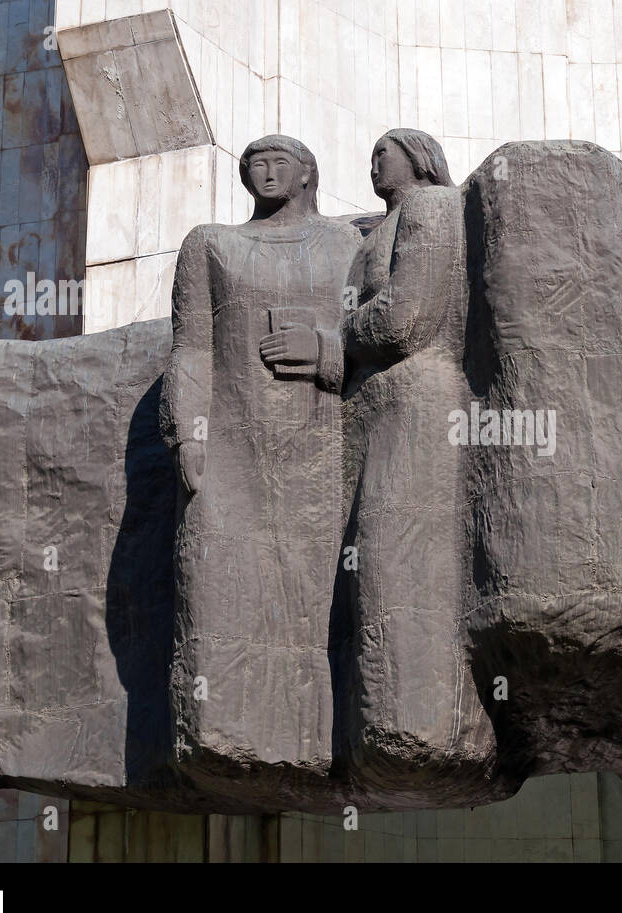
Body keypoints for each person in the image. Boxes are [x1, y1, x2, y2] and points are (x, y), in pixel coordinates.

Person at [262, 129, 507, 804]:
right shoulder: (377, 231)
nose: (373, 160)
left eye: (385, 150)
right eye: (368, 151)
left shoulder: (431, 209)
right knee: (364, 568)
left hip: (415, 403)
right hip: (371, 405)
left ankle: (420, 724)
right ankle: (375, 721)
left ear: (419, 157)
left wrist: (327, 341)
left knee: (401, 563)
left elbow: (406, 319)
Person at [159, 135, 361, 799]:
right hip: (234, 454)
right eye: (254, 161)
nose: (265, 167)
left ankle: (315, 739)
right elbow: (191, 347)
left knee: (314, 601)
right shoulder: (211, 243)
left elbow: (384, 340)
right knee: (224, 586)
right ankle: (226, 731)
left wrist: (325, 352)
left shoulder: (348, 247)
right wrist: (188, 430)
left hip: (321, 451)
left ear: (310, 172)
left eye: (280, 159)